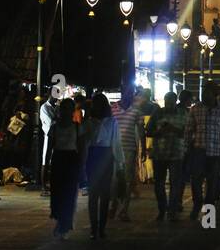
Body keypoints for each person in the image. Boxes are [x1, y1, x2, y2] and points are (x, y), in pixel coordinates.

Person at [184, 92, 220, 218]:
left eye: (208, 92)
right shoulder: (196, 109)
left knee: (212, 184)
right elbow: (188, 129)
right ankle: (197, 204)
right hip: (198, 150)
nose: (205, 95)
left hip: (215, 151)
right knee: (196, 180)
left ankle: (209, 215)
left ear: (214, 94)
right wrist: (187, 147)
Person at [83, 92, 124, 240]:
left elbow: (116, 144)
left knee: (104, 195)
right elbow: (84, 143)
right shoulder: (89, 122)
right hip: (95, 157)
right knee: (94, 195)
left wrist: (120, 165)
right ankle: (95, 228)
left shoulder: (111, 122)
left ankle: (101, 228)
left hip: (104, 157)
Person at [149, 91, 189, 221]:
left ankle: (171, 210)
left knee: (175, 183)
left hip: (176, 154)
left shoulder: (183, 114)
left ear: (175, 101)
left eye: (171, 102)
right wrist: (159, 132)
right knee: (159, 184)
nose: (168, 104)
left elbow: (188, 133)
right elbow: (148, 131)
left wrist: (173, 129)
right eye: (166, 102)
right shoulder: (157, 113)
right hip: (160, 153)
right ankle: (162, 209)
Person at [47, 97, 82, 239]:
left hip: (71, 159)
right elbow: (50, 147)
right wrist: (46, 165)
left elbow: (80, 147)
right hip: (58, 159)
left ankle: (65, 224)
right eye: (64, 109)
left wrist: (81, 165)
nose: (66, 112)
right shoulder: (54, 127)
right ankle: (62, 222)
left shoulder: (77, 127)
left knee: (69, 193)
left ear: (72, 111)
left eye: (69, 109)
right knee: (57, 192)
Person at [113, 92, 147, 221]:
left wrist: (142, 149)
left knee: (127, 180)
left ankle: (123, 210)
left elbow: (141, 130)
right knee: (114, 180)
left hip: (129, 149)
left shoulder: (136, 111)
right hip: (113, 149)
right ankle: (115, 204)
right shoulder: (113, 109)